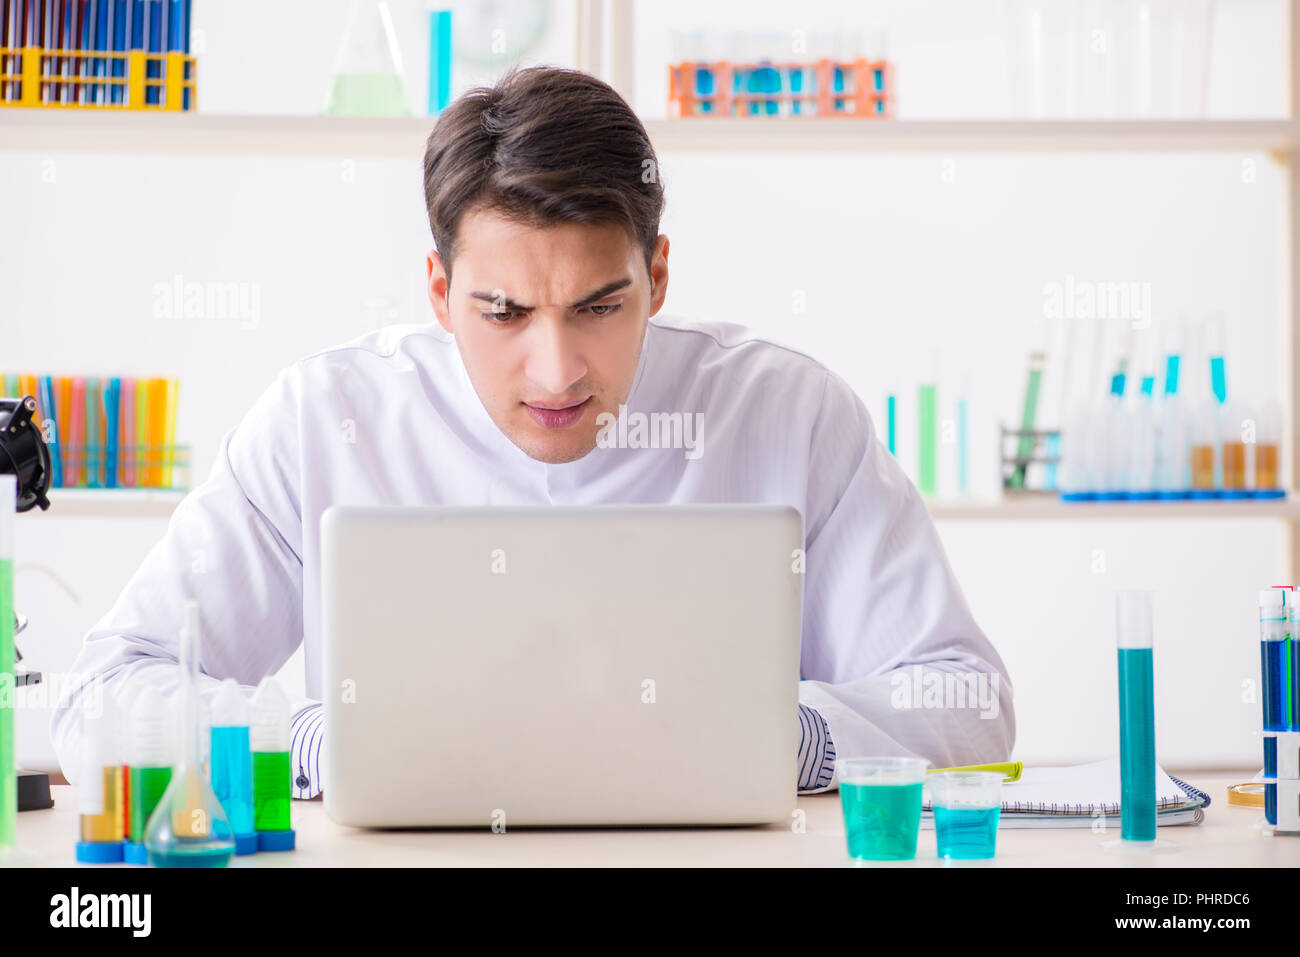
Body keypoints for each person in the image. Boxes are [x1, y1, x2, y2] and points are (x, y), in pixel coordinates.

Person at [52, 66, 1014, 799]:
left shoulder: (791, 415)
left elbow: (969, 702)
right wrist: (312, 741)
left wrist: (784, 735)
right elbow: (99, 701)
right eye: (504, 311)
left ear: (659, 278)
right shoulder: (323, 422)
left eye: (599, 307)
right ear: (439, 292)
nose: (556, 373)